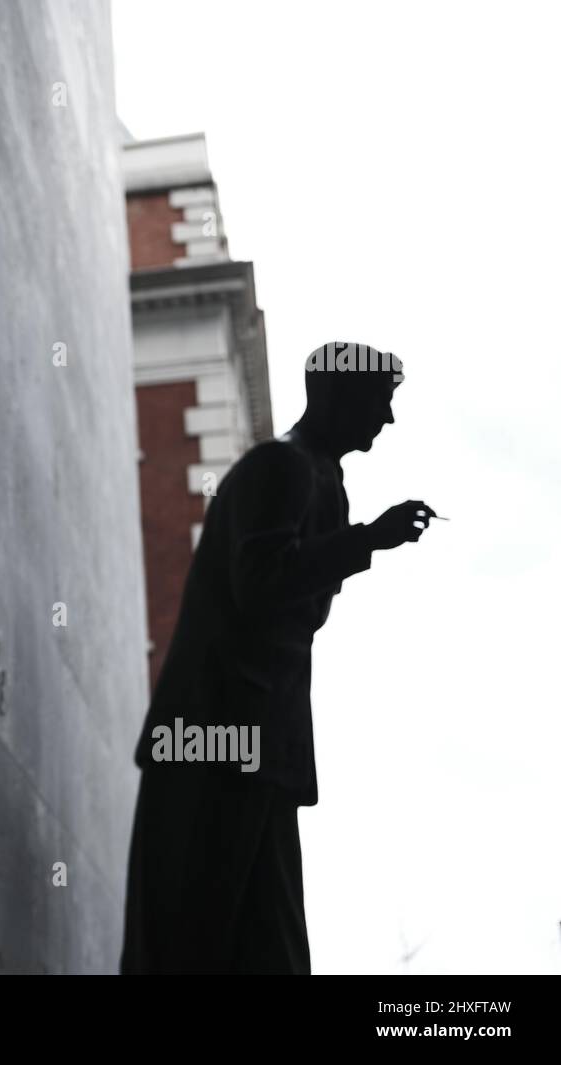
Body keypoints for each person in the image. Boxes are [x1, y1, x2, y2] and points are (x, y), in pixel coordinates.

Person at [120, 342, 435, 975]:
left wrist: (359, 539)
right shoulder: (280, 467)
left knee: (264, 942)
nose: (388, 420)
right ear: (338, 396)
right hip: (218, 734)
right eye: (381, 402)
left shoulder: (322, 480)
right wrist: (369, 539)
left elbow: (295, 607)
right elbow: (262, 584)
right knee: (201, 931)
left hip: (258, 741)